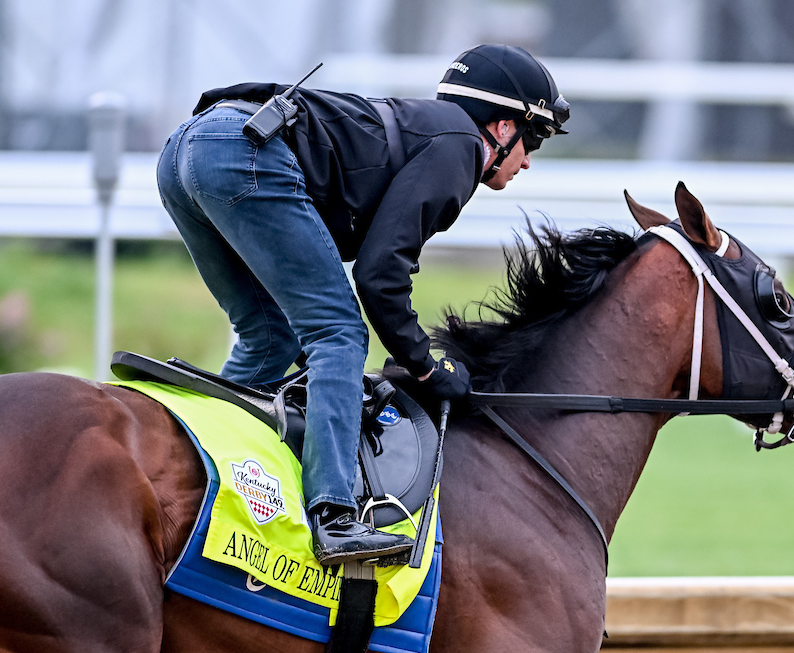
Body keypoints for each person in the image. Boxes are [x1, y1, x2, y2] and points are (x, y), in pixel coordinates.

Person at [156, 44, 570, 566]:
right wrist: (426, 366)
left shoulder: (432, 129)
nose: (528, 159)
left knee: (271, 336)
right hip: (241, 151)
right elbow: (379, 276)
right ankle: (335, 517)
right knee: (338, 333)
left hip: (187, 150)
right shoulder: (460, 145)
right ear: (504, 128)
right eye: (532, 139)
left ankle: (193, 466)